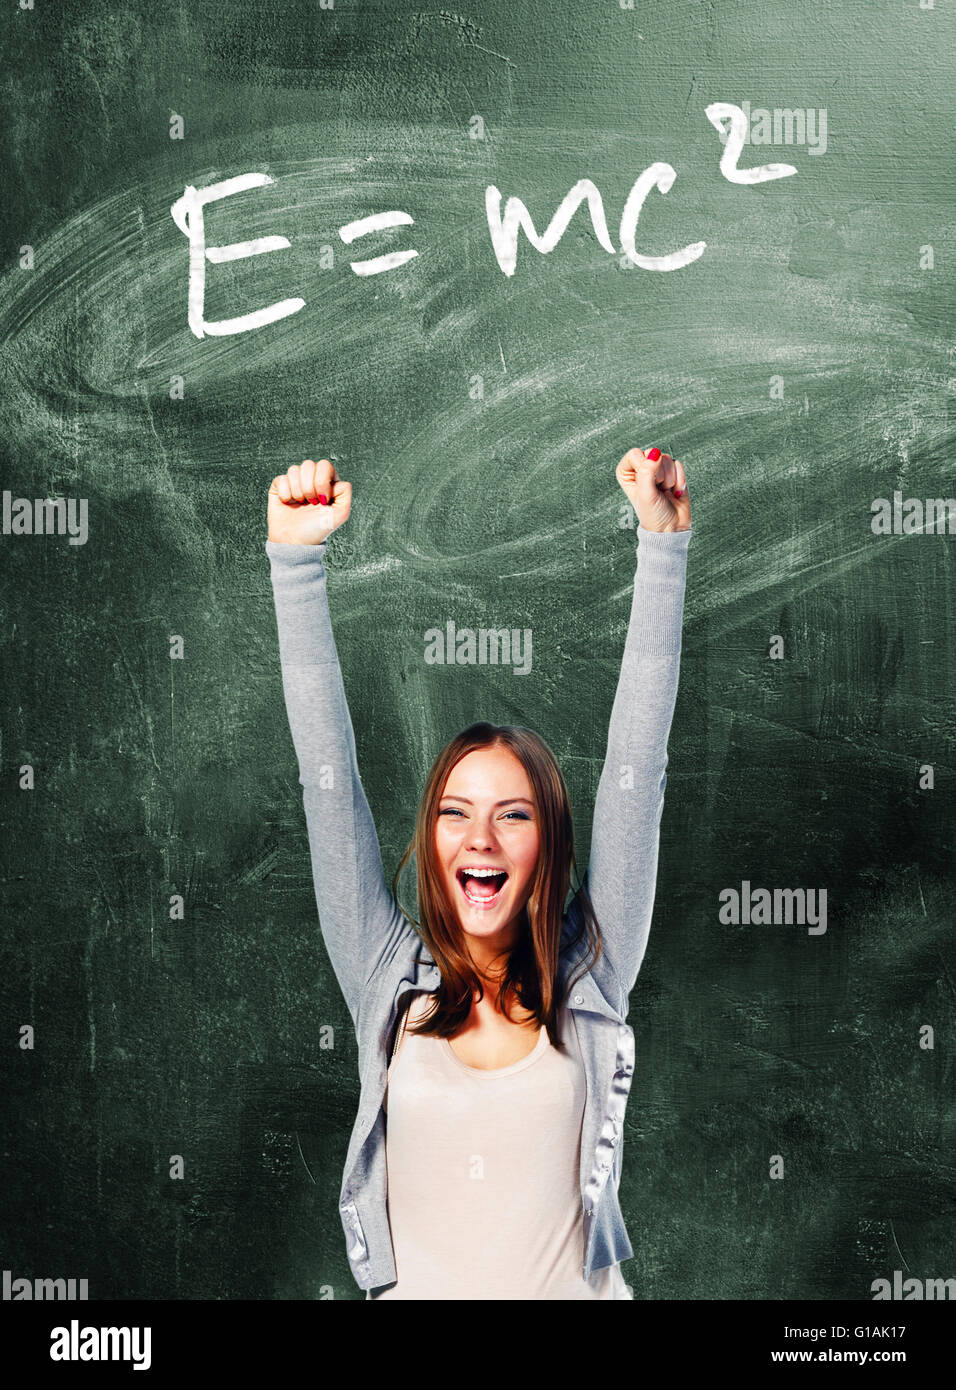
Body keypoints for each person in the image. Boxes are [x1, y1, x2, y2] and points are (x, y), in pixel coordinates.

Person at [265, 447, 692, 1299]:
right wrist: (297, 564)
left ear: (549, 852)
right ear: (430, 845)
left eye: (514, 814)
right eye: (455, 814)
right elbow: (327, 781)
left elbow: (635, 776)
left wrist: (664, 546)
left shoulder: (592, 980)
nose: (481, 840)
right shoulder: (386, 981)